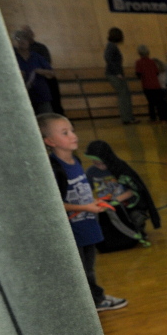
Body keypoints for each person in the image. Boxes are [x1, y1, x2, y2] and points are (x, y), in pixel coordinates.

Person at [38, 113, 127, 311]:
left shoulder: (75, 160)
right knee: (82, 271)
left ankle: (94, 299)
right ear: (49, 141)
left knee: (89, 267)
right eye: (65, 133)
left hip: (87, 224)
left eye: (72, 130)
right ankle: (95, 301)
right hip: (73, 229)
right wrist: (85, 207)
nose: (73, 136)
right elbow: (53, 205)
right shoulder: (54, 169)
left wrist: (92, 202)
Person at [85, 139, 160, 234]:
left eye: (102, 163)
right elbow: (86, 192)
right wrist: (97, 202)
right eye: (96, 163)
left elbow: (134, 189)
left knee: (136, 216)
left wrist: (115, 200)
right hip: (106, 208)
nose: (100, 166)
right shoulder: (91, 172)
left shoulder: (120, 168)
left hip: (125, 205)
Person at [14, 29, 55, 115]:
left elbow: (52, 73)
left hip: (41, 95)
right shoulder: (13, 58)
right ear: (15, 42)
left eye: (25, 39)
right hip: (21, 96)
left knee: (46, 118)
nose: (22, 41)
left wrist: (41, 71)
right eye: (19, 39)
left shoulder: (37, 57)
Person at [104, 28, 137, 124]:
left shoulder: (111, 46)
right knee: (124, 96)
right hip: (114, 74)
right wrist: (117, 72)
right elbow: (108, 59)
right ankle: (127, 118)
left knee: (125, 95)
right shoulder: (111, 47)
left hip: (114, 73)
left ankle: (128, 117)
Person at [135, 46, 167, 123]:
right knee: (159, 103)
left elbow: (138, 74)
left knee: (151, 103)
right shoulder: (152, 62)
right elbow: (157, 72)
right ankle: (163, 118)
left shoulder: (139, 62)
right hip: (156, 85)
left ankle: (153, 118)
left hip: (147, 85)